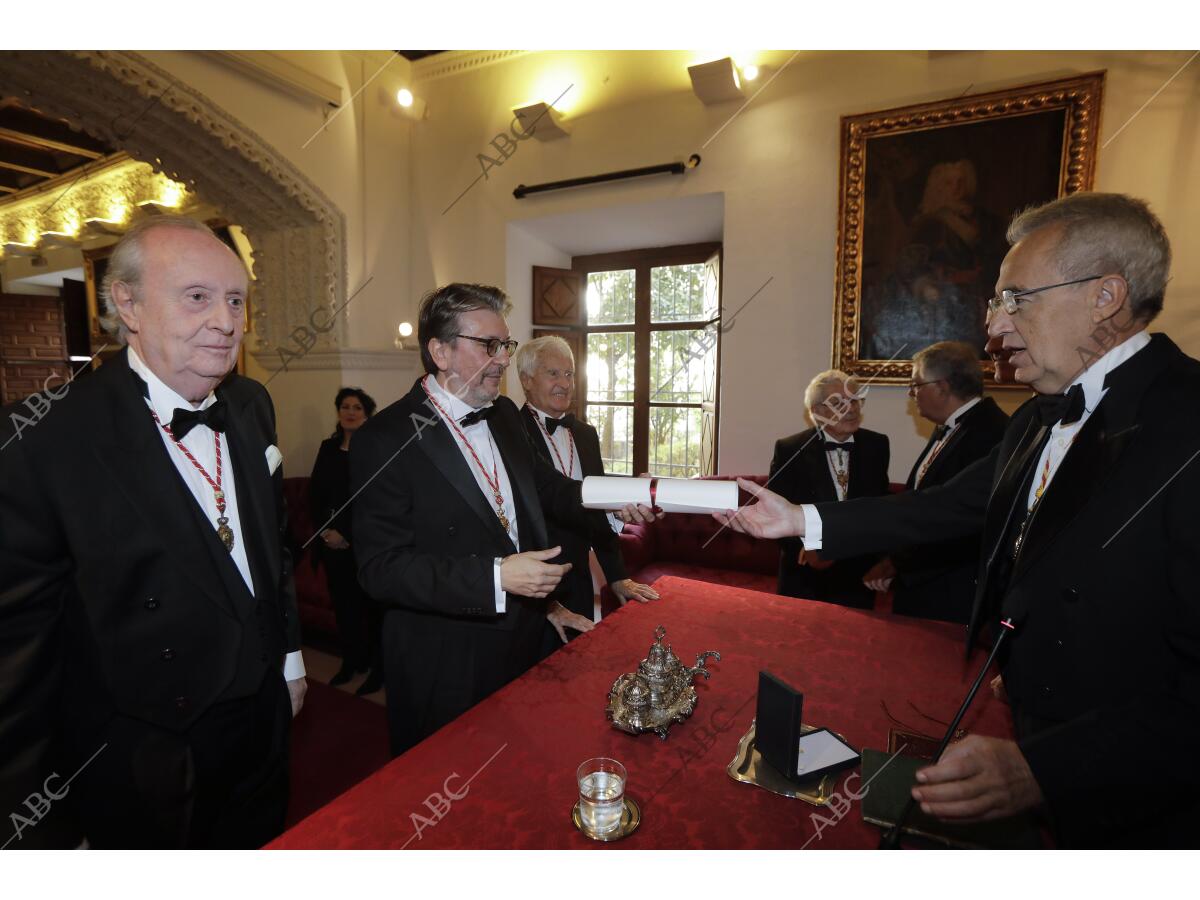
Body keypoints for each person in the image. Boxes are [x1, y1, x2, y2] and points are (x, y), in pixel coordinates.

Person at [715, 193, 1200, 848]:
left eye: (1014, 299)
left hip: (1140, 796)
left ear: (1104, 296)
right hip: (1037, 730)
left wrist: (1044, 769)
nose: (993, 328)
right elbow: (944, 509)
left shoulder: (1186, 420)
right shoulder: (1033, 420)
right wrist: (803, 519)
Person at [0, 215, 305, 849]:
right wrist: (38, 835)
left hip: (264, 721)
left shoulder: (251, 403)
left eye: (236, 300)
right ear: (128, 304)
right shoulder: (41, 436)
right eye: (197, 297)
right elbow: (17, 661)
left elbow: (271, 550)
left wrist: (290, 658)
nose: (225, 320)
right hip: (143, 752)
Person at [350, 284, 659, 755]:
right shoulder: (385, 437)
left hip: (526, 637)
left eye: (506, 345)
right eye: (488, 345)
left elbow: (549, 488)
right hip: (448, 657)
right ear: (440, 352)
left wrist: (614, 497)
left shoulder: (504, 416)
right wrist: (494, 577)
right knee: (451, 779)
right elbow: (382, 569)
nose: (503, 359)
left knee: (525, 765)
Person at [514, 336, 658, 653]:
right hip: (530, 587)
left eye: (569, 374)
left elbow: (597, 514)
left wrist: (616, 576)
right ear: (526, 380)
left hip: (579, 581)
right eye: (553, 373)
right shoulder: (509, 434)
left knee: (578, 666)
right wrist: (545, 602)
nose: (565, 384)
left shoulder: (585, 434)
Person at [861, 341, 1008, 623]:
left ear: (941, 386)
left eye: (916, 385)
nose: (911, 393)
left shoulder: (992, 432)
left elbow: (958, 522)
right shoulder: (951, 427)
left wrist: (899, 564)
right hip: (926, 585)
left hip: (952, 594)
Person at [768, 370, 890, 609]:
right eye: (839, 403)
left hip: (858, 574)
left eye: (855, 400)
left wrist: (885, 559)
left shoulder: (877, 445)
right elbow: (776, 510)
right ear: (817, 410)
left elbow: (880, 504)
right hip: (805, 576)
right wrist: (804, 547)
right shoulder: (789, 449)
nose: (852, 409)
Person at [309, 387, 383, 694]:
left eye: (357, 408)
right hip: (331, 543)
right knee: (345, 608)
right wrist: (326, 532)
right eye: (345, 407)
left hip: (363, 544)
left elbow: (373, 499)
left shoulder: (374, 449)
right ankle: (352, 661)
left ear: (367, 415)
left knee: (372, 611)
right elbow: (315, 493)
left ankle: (379, 669)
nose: (350, 412)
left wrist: (346, 534)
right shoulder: (328, 447)